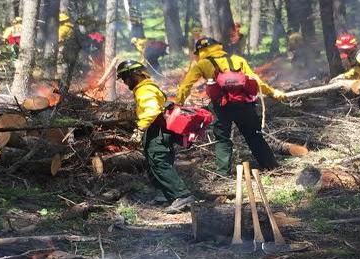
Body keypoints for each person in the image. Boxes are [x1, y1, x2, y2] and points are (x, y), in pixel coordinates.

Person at [176, 36, 287, 175]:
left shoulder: (202, 64)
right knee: (254, 135)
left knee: (223, 139)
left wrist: (178, 103)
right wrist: (273, 92)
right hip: (244, 105)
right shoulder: (237, 60)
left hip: (220, 107)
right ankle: (271, 166)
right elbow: (256, 80)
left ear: (201, 51)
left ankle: (223, 174)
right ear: (218, 46)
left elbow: (185, 86)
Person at [116, 60, 194, 214]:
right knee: (154, 165)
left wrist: (140, 128)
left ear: (134, 75)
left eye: (125, 77)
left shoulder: (145, 89)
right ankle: (165, 195)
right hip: (156, 129)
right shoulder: (145, 88)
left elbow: (151, 111)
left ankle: (182, 195)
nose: (125, 82)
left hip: (156, 130)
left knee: (160, 163)